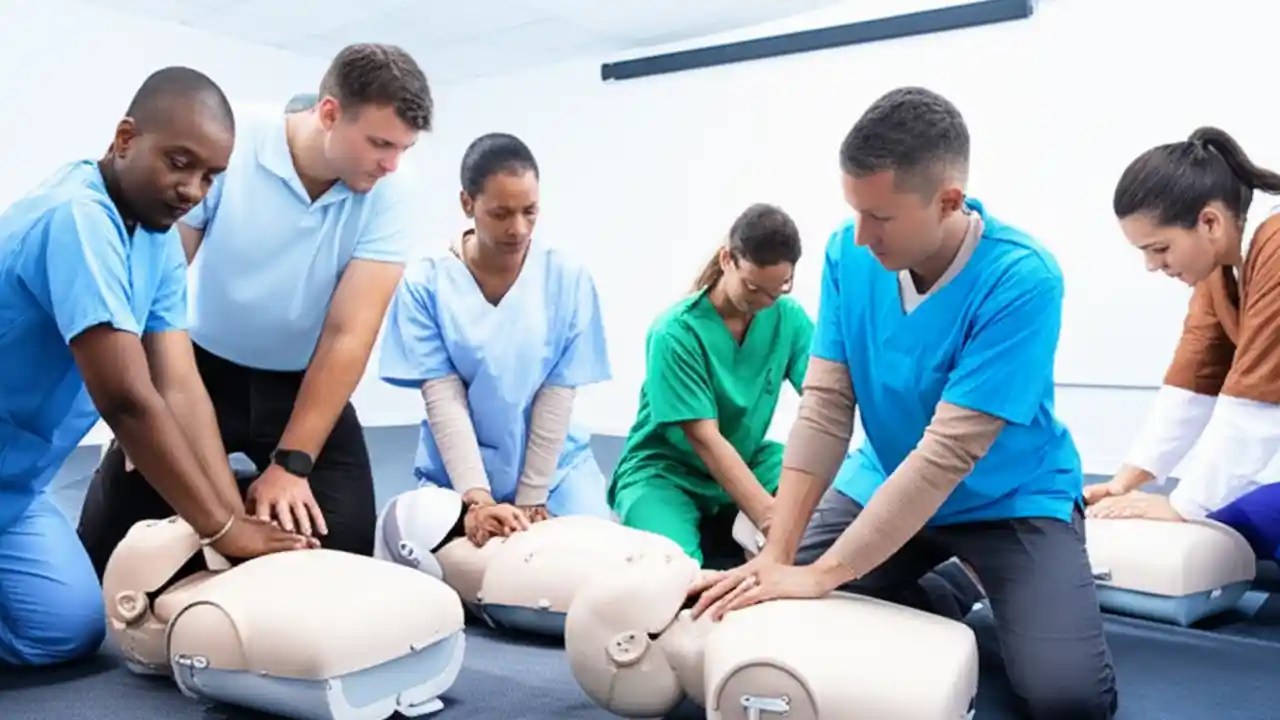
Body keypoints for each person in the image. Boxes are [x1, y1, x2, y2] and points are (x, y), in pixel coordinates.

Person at [689, 87, 1118, 719]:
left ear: (948, 201)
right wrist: (781, 554)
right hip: (886, 478)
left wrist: (822, 575)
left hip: (1008, 499)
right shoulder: (846, 253)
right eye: (854, 211)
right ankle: (946, 589)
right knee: (771, 589)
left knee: (1068, 699)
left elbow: (947, 454)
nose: (861, 235)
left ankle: (989, 582)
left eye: (880, 217)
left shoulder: (1022, 278)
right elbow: (825, 405)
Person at [76, 43, 433, 576]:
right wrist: (142, 401)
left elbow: (348, 335)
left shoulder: (393, 190)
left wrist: (292, 464)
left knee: (344, 544)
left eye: (403, 148)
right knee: (110, 531)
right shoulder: (233, 142)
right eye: (380, 144)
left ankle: (249, 484)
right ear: (329, 113)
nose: (392, 163)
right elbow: (160, 285)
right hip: (200, 368)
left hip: (301, 385)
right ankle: (229, 488)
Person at [0, 67, 312, 667]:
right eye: (179, 163)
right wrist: (222, 530)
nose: (192, 190)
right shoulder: (76, 217)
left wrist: (232, 521)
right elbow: (127, 400)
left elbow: (180, 385)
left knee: (65, 630)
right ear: (125, 139)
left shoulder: (156, 235)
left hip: (16, 487)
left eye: (210, 176)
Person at [378, 132, 612, 529]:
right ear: (467, 203)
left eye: (530, 212)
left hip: (555, 471)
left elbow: (556, 396)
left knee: (590, 546)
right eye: (501, 214)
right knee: (433, 543)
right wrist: (477, 500)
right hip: (457, 472)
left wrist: (533, 497)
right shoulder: (426, 282)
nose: (518, 228)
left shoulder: (566, 278)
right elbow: (443, 397)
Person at [1085, 127, 1280, 564]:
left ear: (1209, 222)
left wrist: (1181, 506)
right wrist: (1126, 481)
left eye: (1159, 248)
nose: (1152, 265)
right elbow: (1193, 378)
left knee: (1231, 523)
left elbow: (1258, 398)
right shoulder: (1222, 265)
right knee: (1235, 524)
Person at [608, 204, 813, 566]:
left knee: (821, 486)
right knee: (673, 570)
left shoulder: (788, 317)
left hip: (748, 460)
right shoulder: (675, 333)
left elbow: (825, 398)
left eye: (778, 289)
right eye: (753, 288)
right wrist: (771, 520)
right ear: (726, 259)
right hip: (667, 473)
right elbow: (705, 439)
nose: (765, 303)